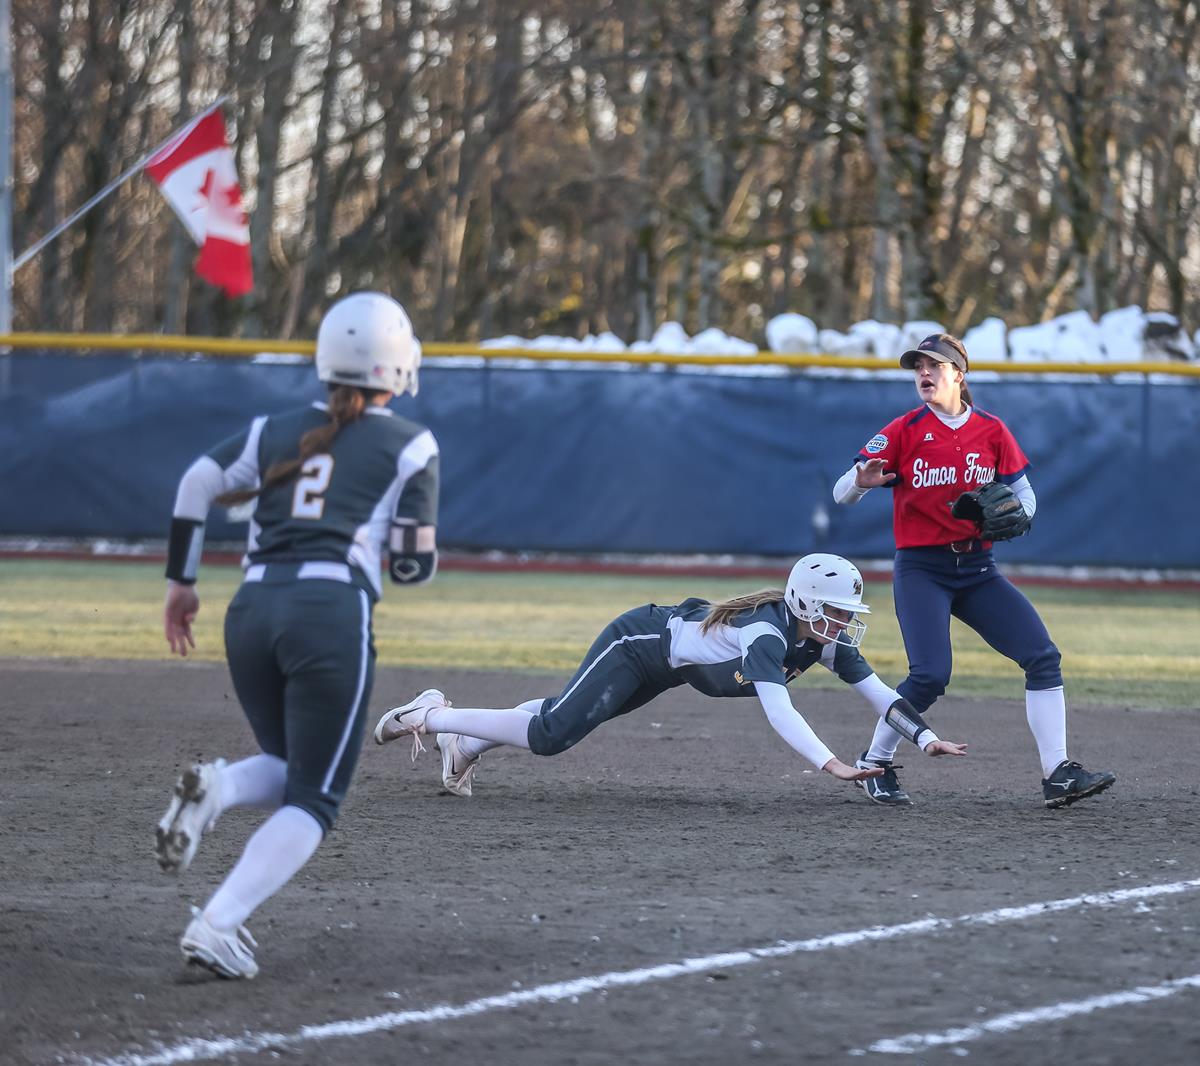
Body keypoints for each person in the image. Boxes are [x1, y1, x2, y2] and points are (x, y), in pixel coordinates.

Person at [154, 292, 440, 980]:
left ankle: (217, 789)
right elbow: (412, 565)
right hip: (328, 611)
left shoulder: (270, 429)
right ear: (395, 368)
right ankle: (217, 923)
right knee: (315, 798)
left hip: (250, 608)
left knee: (289, 766)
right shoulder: (412, 443)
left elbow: (197, 481)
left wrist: (181, 582)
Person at [371, 553, 967, 792]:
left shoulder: (820, 641)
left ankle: (462, 747)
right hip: (640, 643)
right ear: (807, 603)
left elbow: (880, 694)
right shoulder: (767, 633)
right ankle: (432, 713)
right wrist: (832, 764)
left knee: (564, 715)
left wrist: (925, 736)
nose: (845, 623)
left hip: (667, 667)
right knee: (553, 734)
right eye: (837, 611)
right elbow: (780, 710)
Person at [834, 332, 1116, 808]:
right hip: (923, 568)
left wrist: (1019, 518)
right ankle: (873, 765)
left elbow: (1024, 495)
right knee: (929, 677)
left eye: (934, 366)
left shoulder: (991, 430)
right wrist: (860, 483)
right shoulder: (903, 430)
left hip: (978, 569)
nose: (924, 373)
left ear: (958, 375)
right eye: (918, 366)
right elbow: (843, 490)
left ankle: (1058, 773)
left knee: (1042, 657)